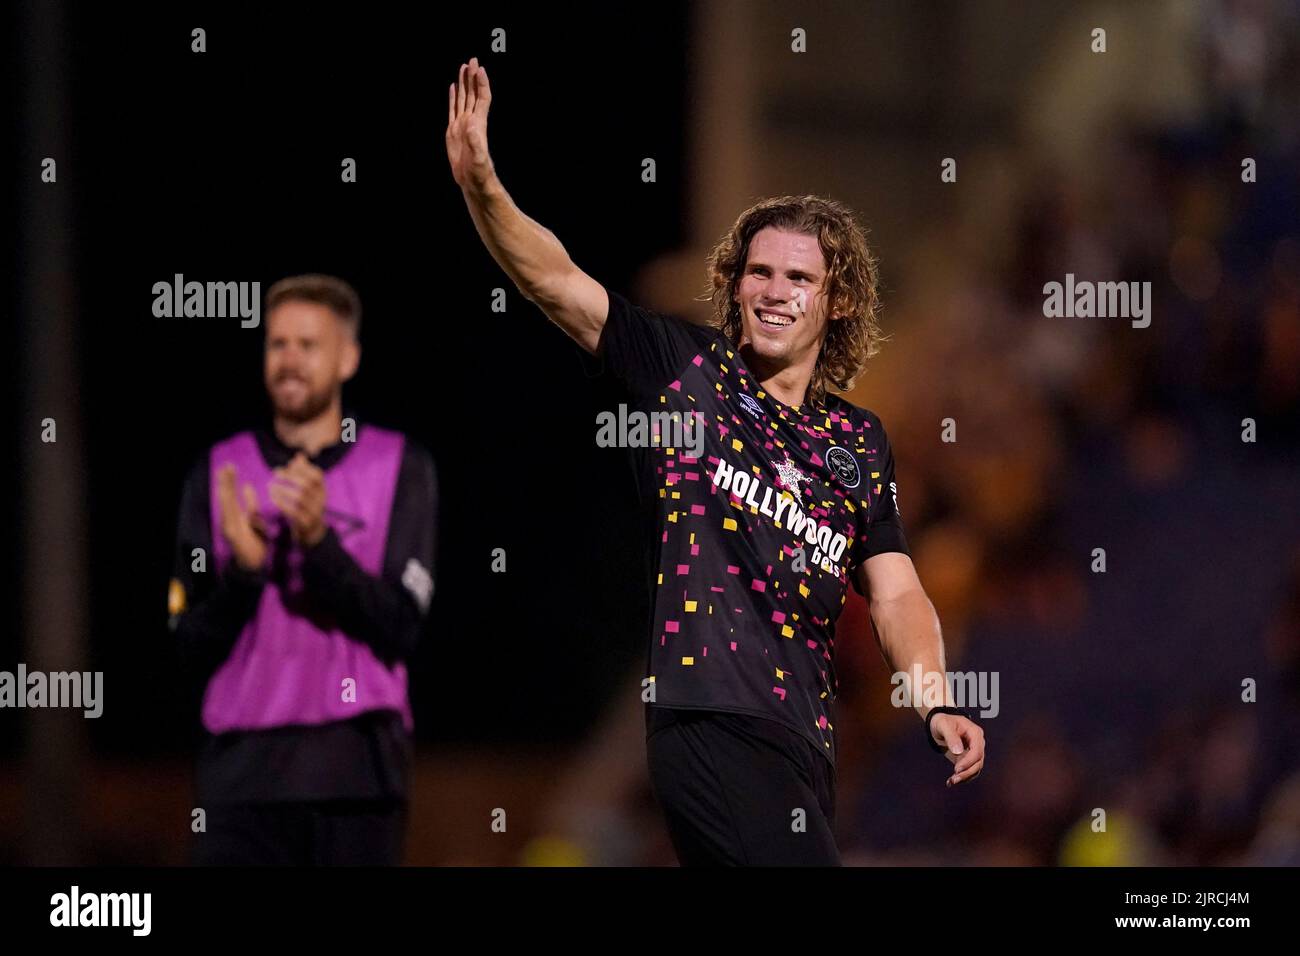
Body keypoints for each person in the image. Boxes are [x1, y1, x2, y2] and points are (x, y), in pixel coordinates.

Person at [446, 57, 984, 866]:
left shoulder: (859, 442)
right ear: (735, 287)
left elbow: (897, 588)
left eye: (798, 277)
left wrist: (935, 698)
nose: (774, 290)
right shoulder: (685, 370)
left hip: (803, 740)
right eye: (758, 272)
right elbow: (555, 281)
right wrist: (484, 187)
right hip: (706, 720)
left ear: (835, 302)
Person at [168, 274, 437, 865]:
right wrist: (245, 572)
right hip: (241, 778)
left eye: (308, 345)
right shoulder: (218, 472)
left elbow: (402, 626)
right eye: (277, 344)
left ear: (348, 358)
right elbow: (186, 645)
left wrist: (319, 545)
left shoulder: (400, 467)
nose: (290, 360)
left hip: (357, 775)